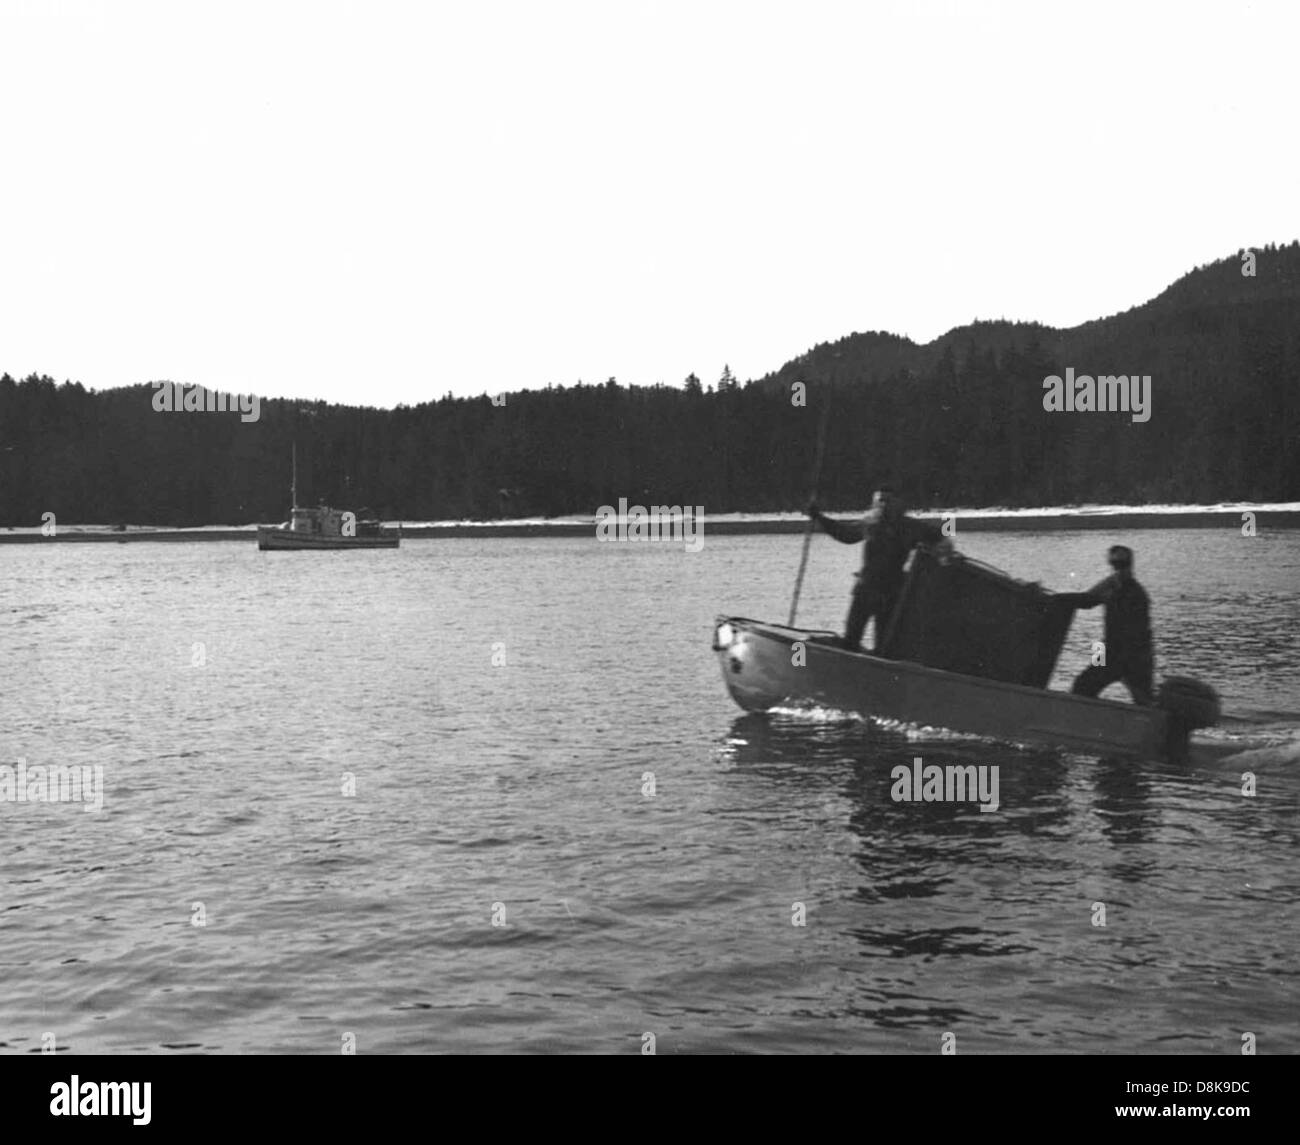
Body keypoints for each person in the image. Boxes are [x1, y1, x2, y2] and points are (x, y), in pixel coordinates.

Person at [805, 486, 949, 651]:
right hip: (870, 591)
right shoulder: (873, 525)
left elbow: (941, 535)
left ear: (897, 504)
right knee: (857, 640)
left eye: (888, 501)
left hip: (886, 593)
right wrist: (819, 517)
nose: (884, 505)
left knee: (881, 643)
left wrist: (944, 548)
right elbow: (845, 534)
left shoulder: (906, 527)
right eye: (881, 501)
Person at [1055, 545, 1154, 705]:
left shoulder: (1130, 591)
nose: (1117, 567)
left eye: (1119, 563)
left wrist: (1058, 599)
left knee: (1084, 685)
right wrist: (1059, 599)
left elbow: (1089, 600)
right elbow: (1088, 599)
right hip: (1112, 649)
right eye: (1115, 563)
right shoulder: (1113, 584)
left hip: (1131, 653)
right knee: (1082, 684)